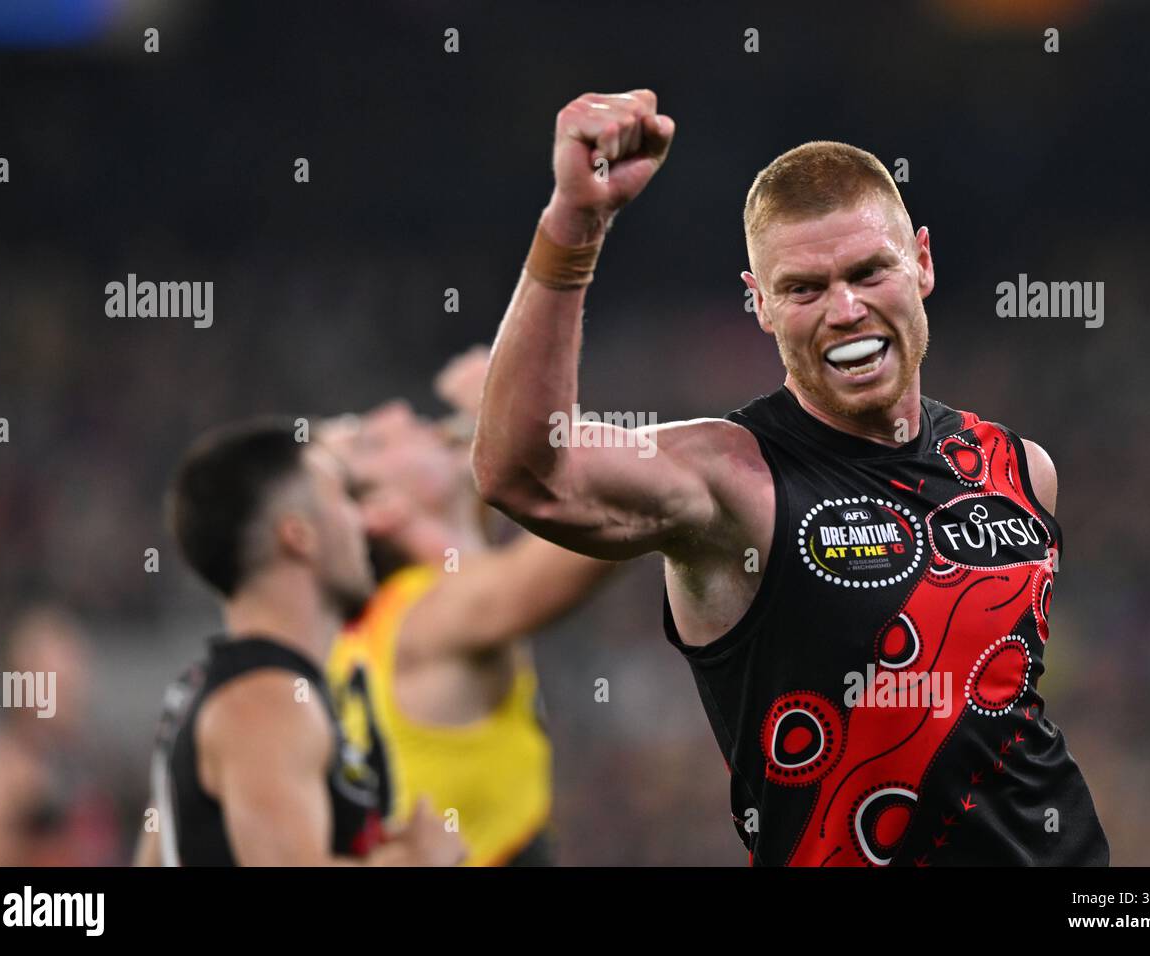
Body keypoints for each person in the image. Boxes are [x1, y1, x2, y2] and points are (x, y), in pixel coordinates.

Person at [471, 89, 1110, 866]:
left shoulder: (1019, 467)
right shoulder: (729, 480)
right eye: (804, 289)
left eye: (870, 271)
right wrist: (576, 220)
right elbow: (524, 471)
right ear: (761, 305)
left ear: (923, 264)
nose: (845, 309)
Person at [321, 347, 616, 866]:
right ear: (380, 511)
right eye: (373, 442)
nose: (398, 412)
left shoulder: (393, 619)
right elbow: (619, 507)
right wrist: (543, 418)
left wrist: (510, 417)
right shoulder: (430, 616)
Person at [135, 418, 464, 866]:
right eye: (344, 498)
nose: (362, 520)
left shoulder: (230, 690)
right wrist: (418, 860)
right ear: (299, 536)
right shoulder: (265, 701)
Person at [0, 605, 122, 866]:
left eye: (78, 675)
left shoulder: (72, 758)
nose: (78, 690)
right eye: (62, 685)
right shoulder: (3, 767)